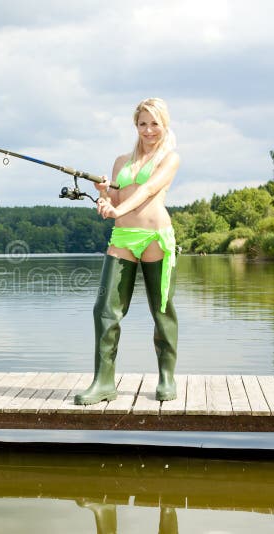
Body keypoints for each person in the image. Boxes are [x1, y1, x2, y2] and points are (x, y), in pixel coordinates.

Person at [74, 97, 180, 405]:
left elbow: (147, 192)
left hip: (155, 237)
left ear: (164, 125)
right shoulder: (121, 161)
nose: (148, 130)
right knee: (105, 309)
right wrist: (105, 196)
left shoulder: (169, 158)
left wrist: (116, 208)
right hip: (123, 237)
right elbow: (118, 200)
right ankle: (103, 382)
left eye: (154, 123)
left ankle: (166, 378)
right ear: (136, 126)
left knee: (162, 310)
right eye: (142, 123)